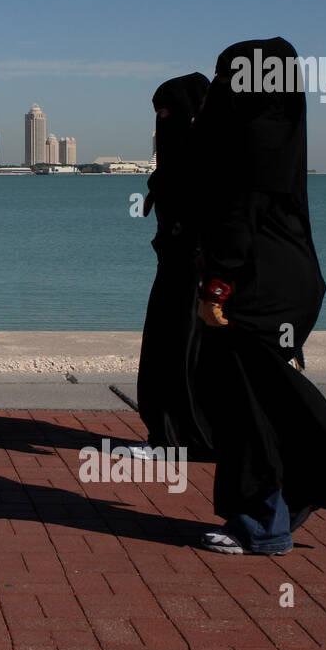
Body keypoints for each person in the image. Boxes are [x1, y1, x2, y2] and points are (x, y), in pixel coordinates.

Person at [192, 37, 326, 555]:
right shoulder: (283, 130)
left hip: (256, 287)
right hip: (292, 284)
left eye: (227, 76)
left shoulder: (252, 136)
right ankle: (297, 496)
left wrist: (215, 290)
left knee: (246, 406)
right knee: (271, 399)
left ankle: (264, 523)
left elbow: (237, 222)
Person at [134, 73, 216, 461]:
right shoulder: (185, 155)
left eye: (167, 112)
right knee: (169, 347)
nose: (161, 121)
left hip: (191, 271)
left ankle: (176, 439)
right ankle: (177, 435)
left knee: (178, 349)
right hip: (175, 267)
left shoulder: (206, 154)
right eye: (158, 113)